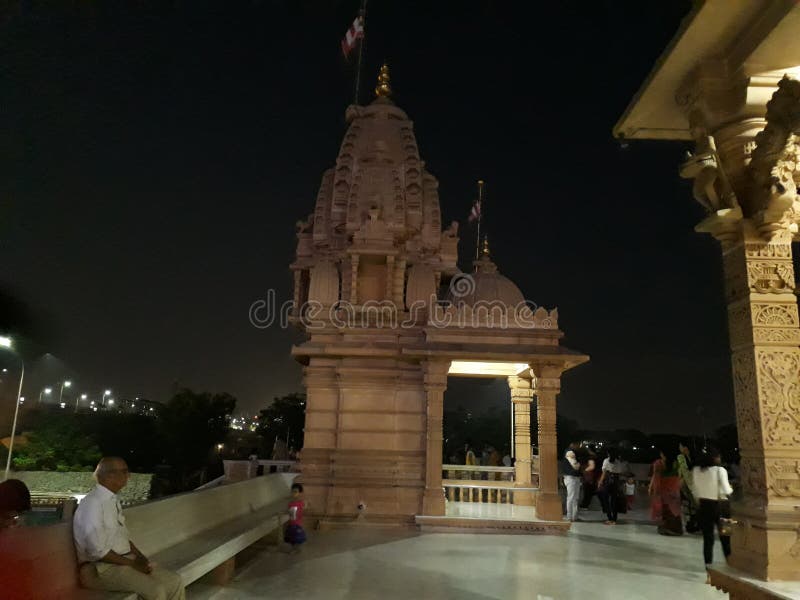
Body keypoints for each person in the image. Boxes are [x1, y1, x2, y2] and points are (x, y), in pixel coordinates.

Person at [73, 457, 185, 600]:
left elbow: (123, 539)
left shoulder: (111, 500)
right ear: (109, 475)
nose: (128, 476)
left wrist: (141, 557)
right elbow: (98, 551)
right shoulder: (93, 504)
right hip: (99, 569)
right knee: (155, 590)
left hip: (122, 562)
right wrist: (133, 564)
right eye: (125, 471)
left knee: (174, 582)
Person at [691, 448, 733, 580]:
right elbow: (727, 490)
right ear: (715, 458)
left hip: (704, 507)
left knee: (708, 540)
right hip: (721, 507)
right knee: (726, 538)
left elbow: (695, 491)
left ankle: (709, 571)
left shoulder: (696, 470)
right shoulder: (720, 470)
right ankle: (730, 567)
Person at [649, 448, 683, 535]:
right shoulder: (677, 463)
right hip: (674, 489)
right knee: (675, 509)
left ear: (663, 454)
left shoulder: (659, 463)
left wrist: (653, 489)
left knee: (666, 509)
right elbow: (680, 476)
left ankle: (667, 528)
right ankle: (676, 529)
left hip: (664, 489)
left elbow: (656, 477)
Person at [598, 447, 624, 524]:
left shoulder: (606, 461)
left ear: (608, 453)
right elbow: (620, 473)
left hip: (607, 482)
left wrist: (600, 482)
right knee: (614, 501)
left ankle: (610, 518)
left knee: (605, 500)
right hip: (616, 482)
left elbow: (604, 473)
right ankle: (614, 519)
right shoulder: (618, 462)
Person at [678, 441, 698, 533]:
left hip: (690, 484)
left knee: (693, 505)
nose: (680, 448)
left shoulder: (682, 457)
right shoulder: (682, 457)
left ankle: (693, 524)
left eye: (681, 446)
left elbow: (684, 470)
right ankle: (691, 524)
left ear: (686, 448)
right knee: (690, 505)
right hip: (689, 484)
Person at [562, 442, 582, 522]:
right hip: (571, 477)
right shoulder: (569, 452)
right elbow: (575, 466)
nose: (579, 446)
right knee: (572, 497)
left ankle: (574, 516)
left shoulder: (572, 452)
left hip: (573, 477)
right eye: (578, 444)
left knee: (574, 498)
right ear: (572, 444)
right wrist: (579, 464)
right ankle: (570, 516)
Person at [284, 483, 307, 552]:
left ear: (300, 493)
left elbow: (303, 513)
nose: (293, 493)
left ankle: (296, 549)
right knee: (291, 537)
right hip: (291, 523)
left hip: (297, 524)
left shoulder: (301, 503)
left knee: (297, 537)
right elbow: (289, 513)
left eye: (295, 492)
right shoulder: (290, 503)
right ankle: (294, 549)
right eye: (292, 491)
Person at [579, 445, 598, 510]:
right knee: (588, 490)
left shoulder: (590, 457)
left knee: (587, 490)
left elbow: (592, 466)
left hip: (588, 476)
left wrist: (584, 471)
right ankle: (585, 504)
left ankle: (585, 505)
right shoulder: (594, 456)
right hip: (591, 476)